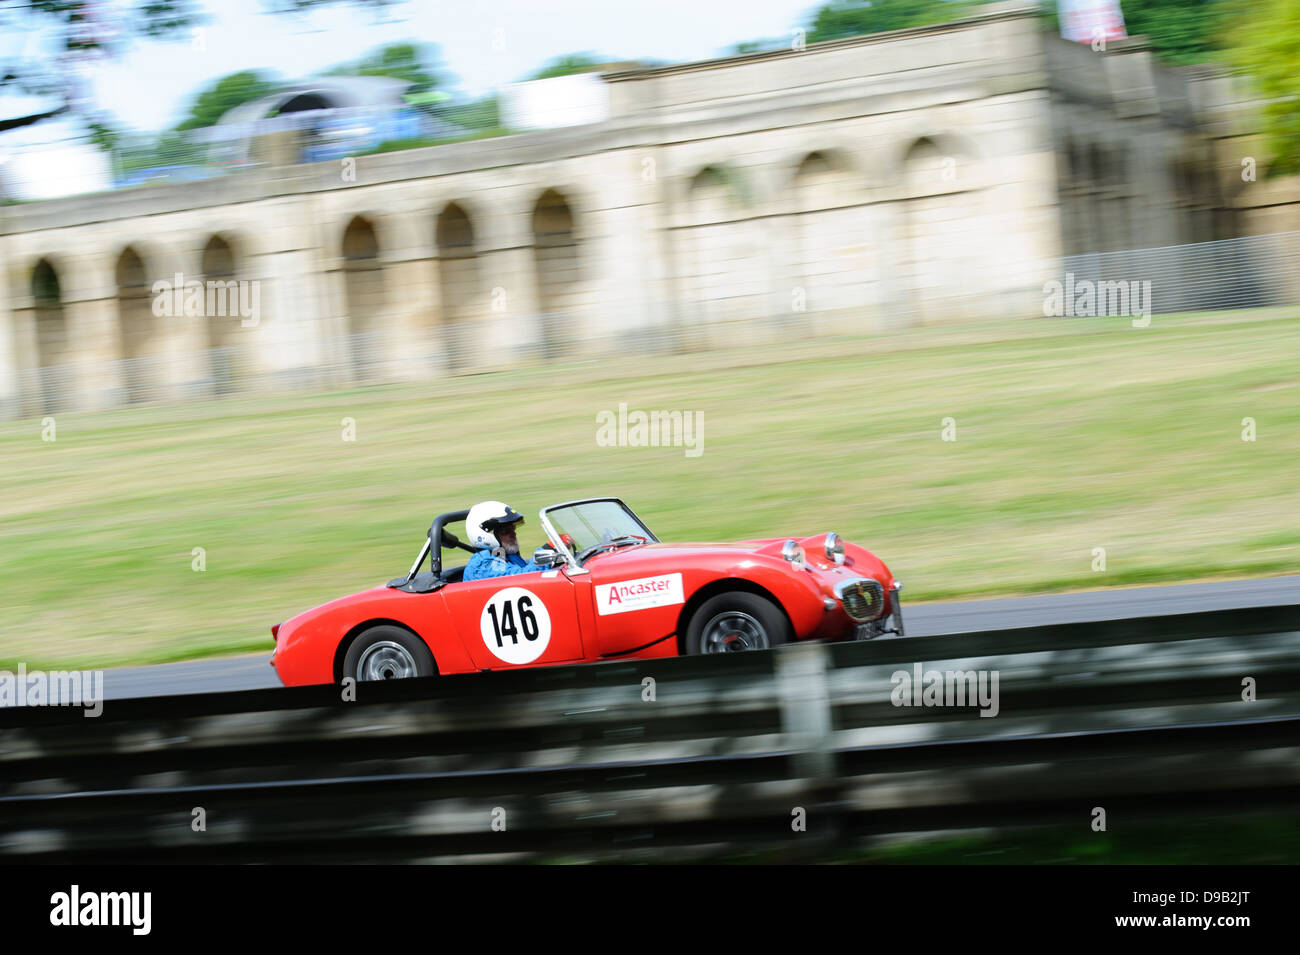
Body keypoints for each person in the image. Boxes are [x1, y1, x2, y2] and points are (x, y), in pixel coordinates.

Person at [463, 501, 544, 581]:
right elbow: (523, 578)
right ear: (485, 536)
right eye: (506, 532)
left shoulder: (504, 554)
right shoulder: (484, 566)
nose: (514, 534)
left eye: (513, 529)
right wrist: (545, 552)